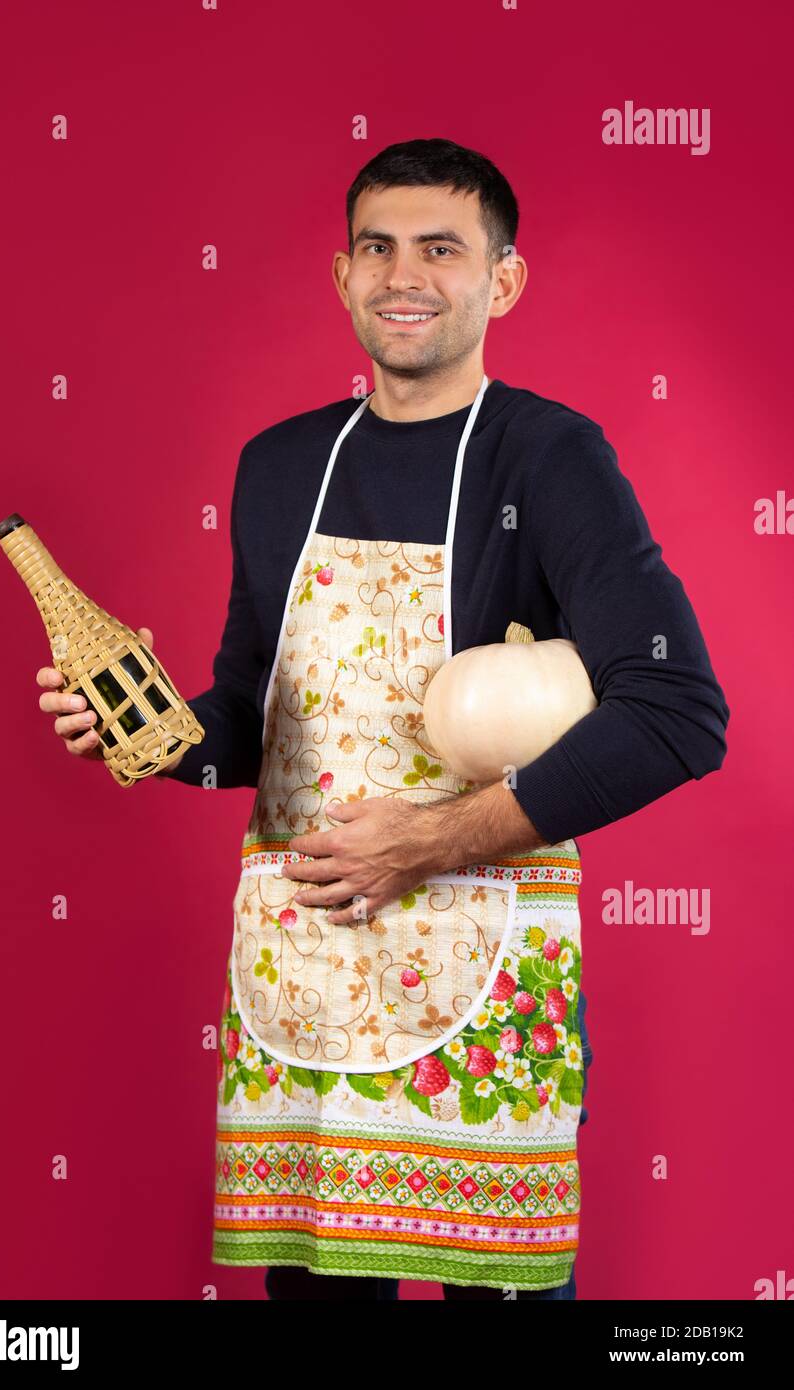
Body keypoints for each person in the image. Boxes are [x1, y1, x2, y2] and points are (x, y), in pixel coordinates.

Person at [36, 138, 728, 1299]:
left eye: (440, 249)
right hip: (302, 973)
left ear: (500, 282)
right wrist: (149, 733)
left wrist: (431, 840)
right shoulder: (276, 466)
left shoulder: (549, 458)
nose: (402, 274)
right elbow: (253, 739)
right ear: (340, 275)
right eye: (376, 246)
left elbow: (678, 711)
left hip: (477, 963)